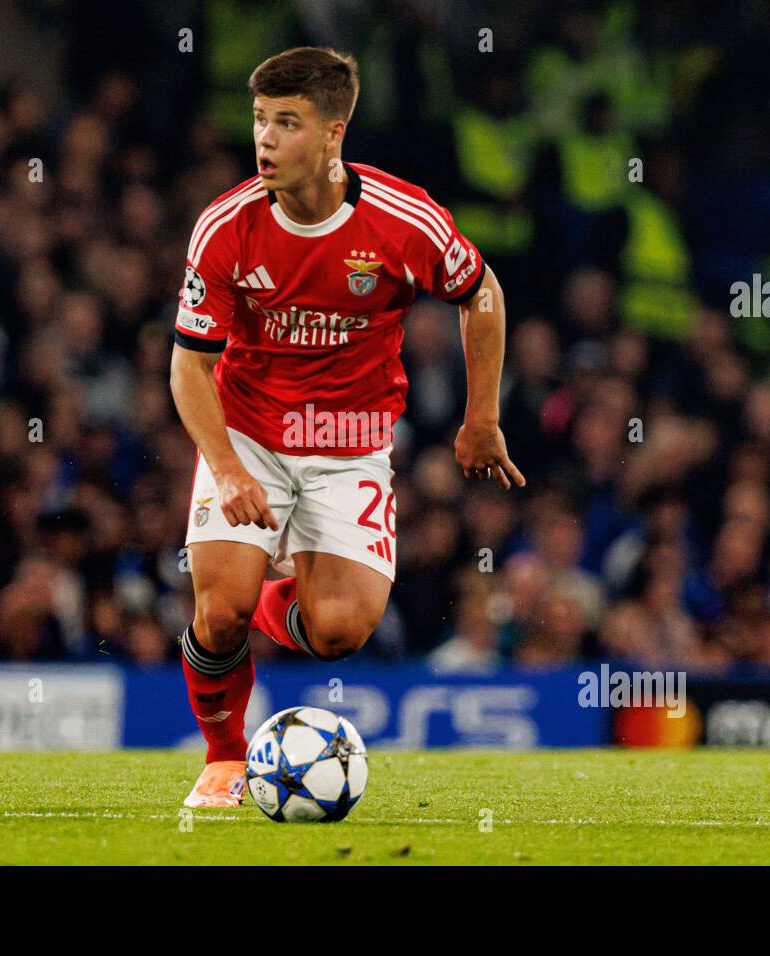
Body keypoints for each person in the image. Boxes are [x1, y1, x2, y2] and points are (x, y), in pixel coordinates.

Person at [168, 47, 524, 807]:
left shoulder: (402, 218)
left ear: (334, 133)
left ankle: (271, 588)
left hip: (352, 444)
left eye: (286, 123)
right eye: (259, 120)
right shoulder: (226, 227)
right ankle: (224, 757)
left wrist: (482, 415)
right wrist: (226, 468)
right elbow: (188, 367)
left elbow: (481, 290)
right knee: (219, 614)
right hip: (250, 434)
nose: (265, 139)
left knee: (338, 633)